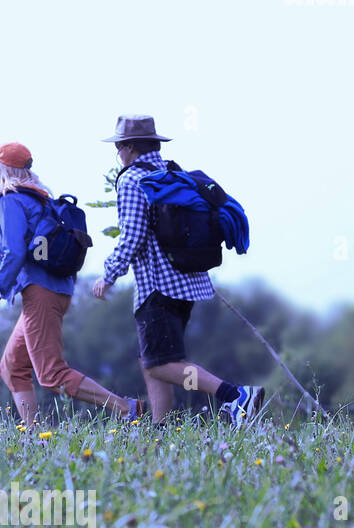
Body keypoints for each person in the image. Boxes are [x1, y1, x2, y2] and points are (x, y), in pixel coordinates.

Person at [92, 115, 263, 426]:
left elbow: (132, 235)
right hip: (189, 283)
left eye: (118, 147)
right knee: (154, 359)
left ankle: (236, 396)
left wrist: (109, 274)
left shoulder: (133, 180)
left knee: (161, 364)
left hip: (158, 286)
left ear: (130, 147)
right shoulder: (173, 173)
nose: (117, 153)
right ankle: (161, 427)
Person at [0, 142, 141, 426]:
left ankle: (125, 408)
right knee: (12, 366)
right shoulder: (40, 199)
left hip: (40, 294)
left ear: (4, 170)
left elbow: (15, 252)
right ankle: (33, 435)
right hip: (59, 290)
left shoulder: (10, 200)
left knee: (51, 375)